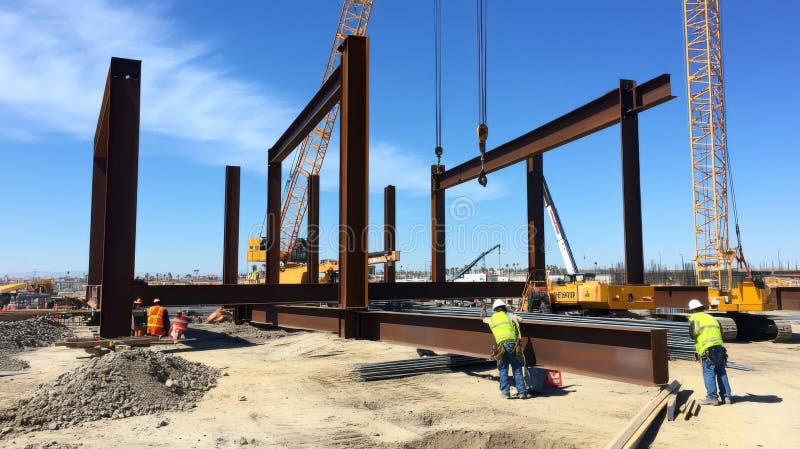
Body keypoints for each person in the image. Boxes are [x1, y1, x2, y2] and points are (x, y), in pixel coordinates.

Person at [687, 299, 732, 406]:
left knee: (708, 372)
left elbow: (693, 335)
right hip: (719, 348)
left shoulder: (695, 319)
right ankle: (727, 397)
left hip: (707, 350)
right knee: (721, 372)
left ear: (692, 310)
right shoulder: (712, 318)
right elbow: (720, 332)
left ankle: (712, 398)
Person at [481, 299, 529, 399]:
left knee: (503, 369)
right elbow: (521, 320)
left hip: (501, 346)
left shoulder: (492, 319)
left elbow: (484, 319)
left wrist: (483, 311)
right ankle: (522, 392)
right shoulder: (508, 316)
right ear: (504, 308)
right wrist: (514, 314)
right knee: (516, 369)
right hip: (513, 344)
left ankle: (505, 393)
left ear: (495, 309)